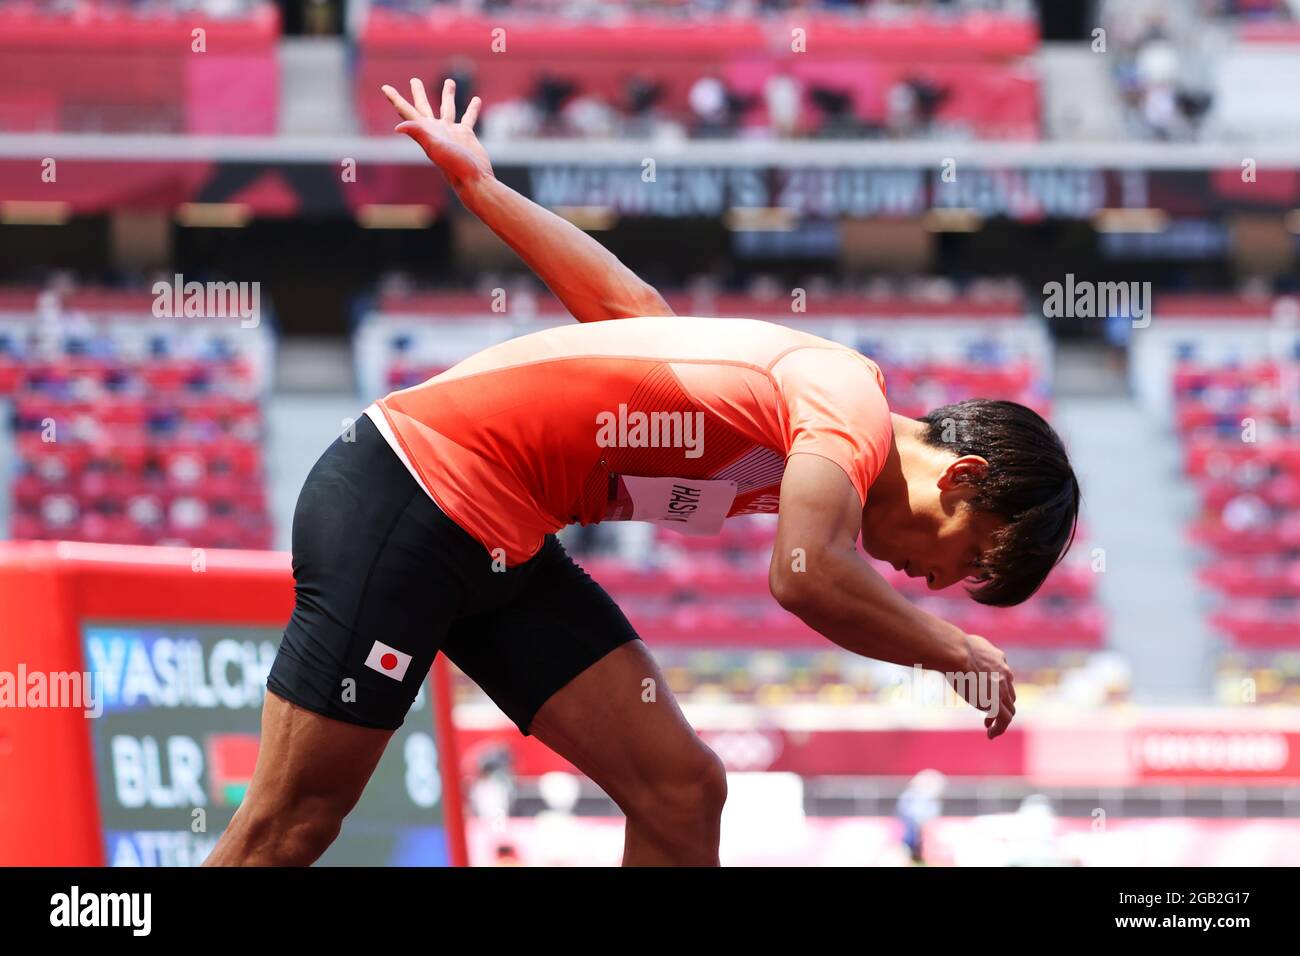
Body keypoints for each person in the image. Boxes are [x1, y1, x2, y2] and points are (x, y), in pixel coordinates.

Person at [204, 79, 1079, 868]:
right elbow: (806, 575)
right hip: (410, 494)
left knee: (681, 791)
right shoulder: (845, 403)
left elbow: (631, 315)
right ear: (961, 477)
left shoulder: (806, 422)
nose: (939, 581)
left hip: (502, 544)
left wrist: (484, 190)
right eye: (971, 559)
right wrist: (952, 652)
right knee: (287, 830)